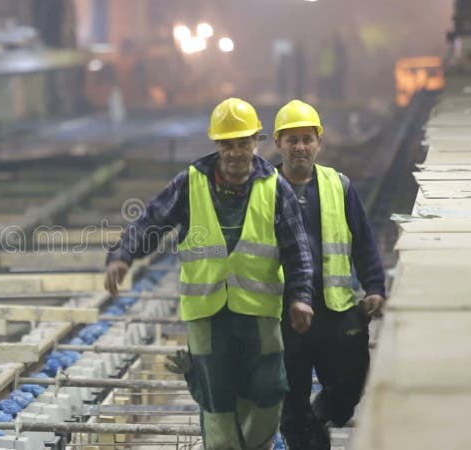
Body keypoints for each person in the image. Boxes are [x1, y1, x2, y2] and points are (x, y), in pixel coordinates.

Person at [104, 97, 315, 450]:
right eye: (226, 144)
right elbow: (152, 220)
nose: (234, 153)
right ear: (216, 145)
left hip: (259, 314)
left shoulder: (275, 187)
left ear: (256, 141)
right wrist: (123, 254)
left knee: (267, 392)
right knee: (216, 397)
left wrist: (301, 298)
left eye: (242, 143)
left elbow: (298, 251)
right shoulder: (191, 183)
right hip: (207, 314)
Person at [272, 100, 387, 450]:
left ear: (319, 141)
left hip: (333, 310)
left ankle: (320, 416)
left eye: (307, 138)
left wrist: (374, 287)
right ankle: (306, 435)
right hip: (284, 315)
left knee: (349, 385)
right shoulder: (263, 190)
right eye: (292, 140)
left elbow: (363, 242)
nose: (300, 147)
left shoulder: (339, 185)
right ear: (278, 143)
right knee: (291, 406)